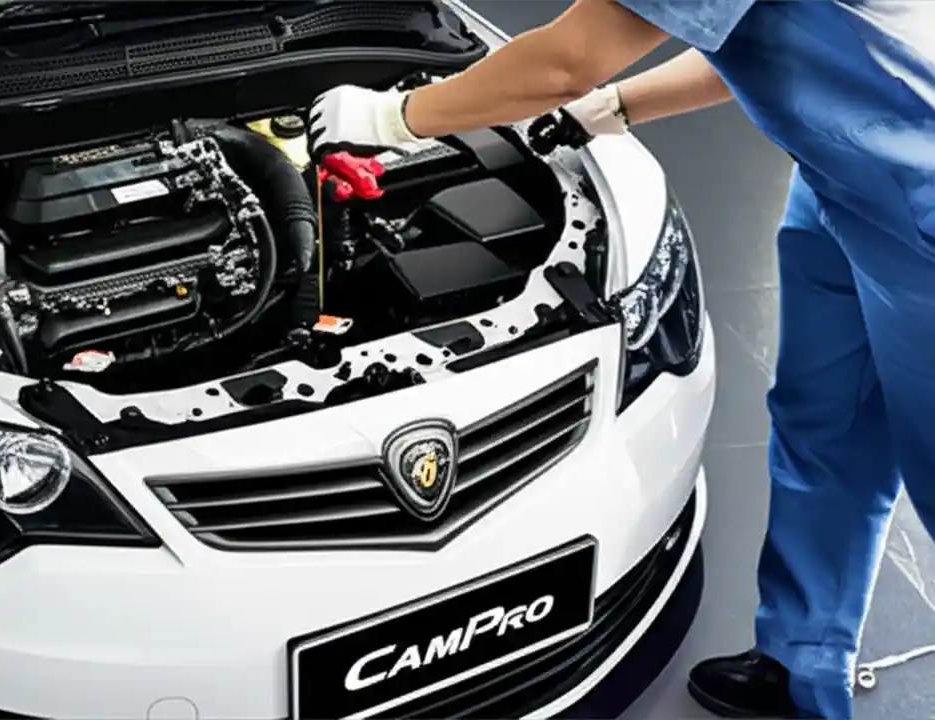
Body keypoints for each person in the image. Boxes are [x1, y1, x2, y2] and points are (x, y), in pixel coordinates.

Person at [308, 1, 935, 718]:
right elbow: (751, 39)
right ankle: (801, 666)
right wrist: (617, 106)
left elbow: (568, 59)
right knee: (826, 427)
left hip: (919, 201)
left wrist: (392, 119)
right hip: (844, 183)